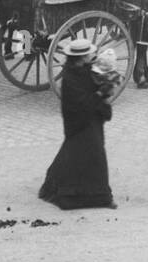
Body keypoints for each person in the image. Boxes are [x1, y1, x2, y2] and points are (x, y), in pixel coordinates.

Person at [39, 38, 116, 210]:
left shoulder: (86, 69)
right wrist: (98, 94)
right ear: (81, 57)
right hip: (80, 122)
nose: (93, 55)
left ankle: (96, 194)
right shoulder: (70, 77)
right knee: (91, 155)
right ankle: (93, 196)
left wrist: (105, 86)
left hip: (91, 119)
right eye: (90, 53)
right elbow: (77, 103)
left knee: (84, 154)